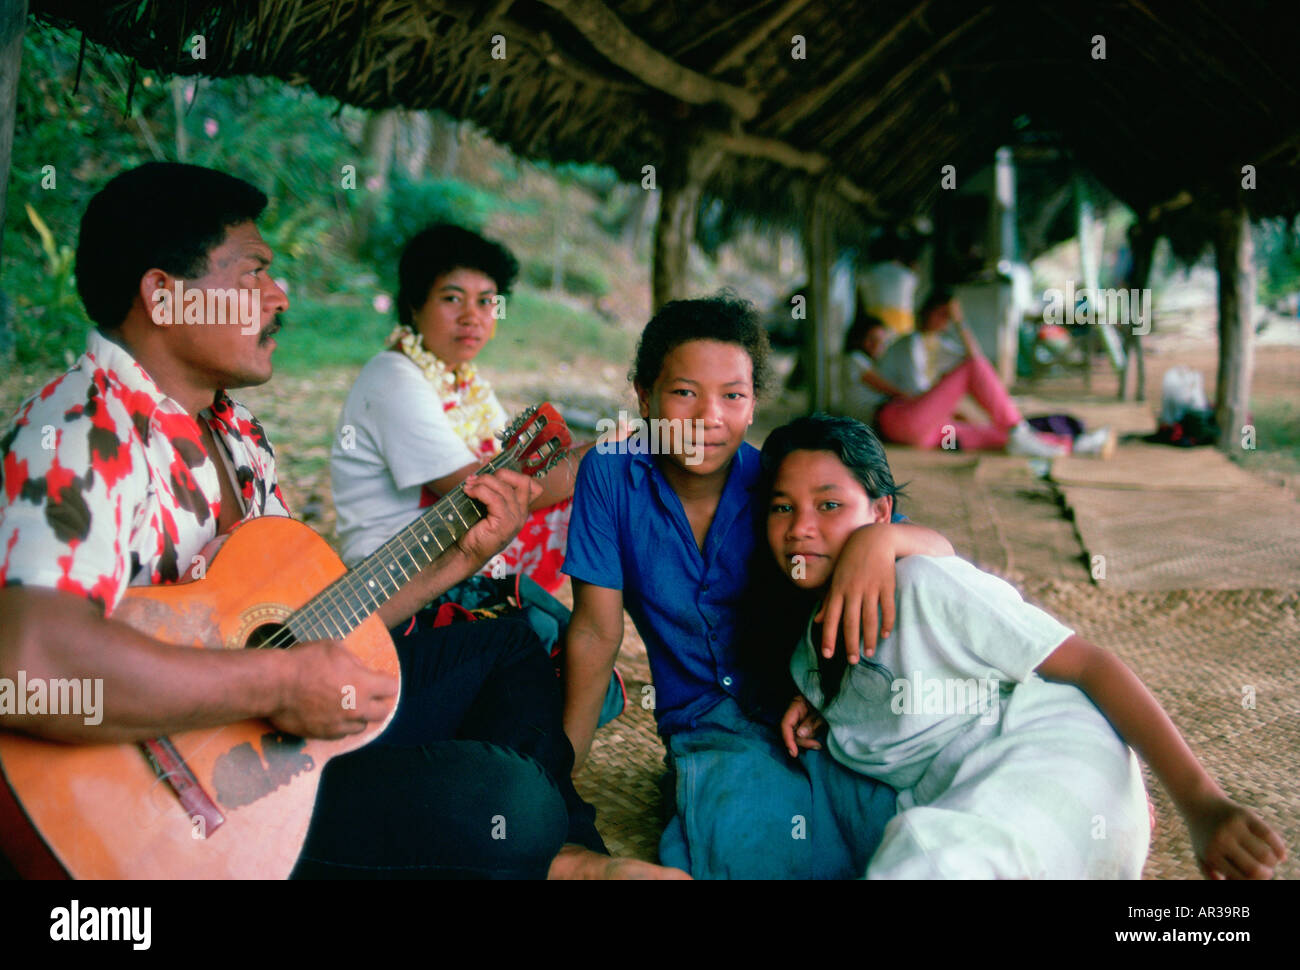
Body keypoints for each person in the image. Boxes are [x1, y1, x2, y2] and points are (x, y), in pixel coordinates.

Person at [0, 163, 679, 880]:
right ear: (163, 295)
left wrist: (457, 561)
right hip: (194, 811)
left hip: (275, 736)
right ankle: (546, 854)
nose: (280, 294)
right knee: (506, 805)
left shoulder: (238, 436)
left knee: (507, 648)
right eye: (253, 274)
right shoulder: (83, 427)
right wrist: (276, 686)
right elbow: (29, 666)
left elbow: (308, 621)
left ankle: (567, 852)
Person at [757, 413, 1288, 878]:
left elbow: (1091, 665)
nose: (801, 528)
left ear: (879, 513)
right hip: (977, 800)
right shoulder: (808, 659)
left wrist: (1202, 806)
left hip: (1051, 754)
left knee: (933, 859)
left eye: (828, 504)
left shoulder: (924, 585)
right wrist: (831, 710)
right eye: (782, 508)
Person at [561, 294, 955, 879]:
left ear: (752, 407)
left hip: (812, 709)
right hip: (706, 725)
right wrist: (560, 773)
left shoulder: (780, 483)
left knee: (887, 833)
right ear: (645, 396)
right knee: (748, 845)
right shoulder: (612, 475)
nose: (708, 417)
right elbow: (595, 633)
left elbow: (938, 552)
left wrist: (881, 541)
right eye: (684, 393)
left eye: (733, 396)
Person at [331, 223, 585, 593]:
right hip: (395, 583)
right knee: (601, 490)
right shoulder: (393, 377)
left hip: (458, 556)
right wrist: (587, 463)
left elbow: (513, 466)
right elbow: (488, 491)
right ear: (415, 305)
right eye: (452, 299)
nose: (472, 317)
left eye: (485, 302)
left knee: (608, 496)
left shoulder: (464, 382)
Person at [860, 289, 1112, 457]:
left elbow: (976, 359)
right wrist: (946, 401)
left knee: (993, 436)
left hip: (928, 434)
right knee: (973, 375)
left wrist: (961, 324)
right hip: (898, 421)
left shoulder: (940, 345)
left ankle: (1077, 445)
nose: (944, 321)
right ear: (928, 312)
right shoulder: (908, 344)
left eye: (949, 317)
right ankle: (1018, 428)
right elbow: (916, 391)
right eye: (942, 315)